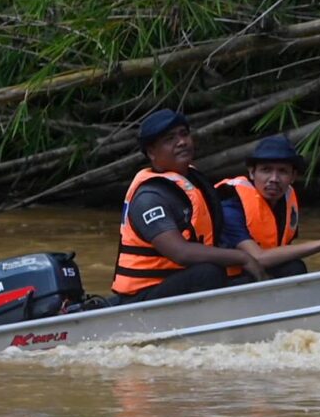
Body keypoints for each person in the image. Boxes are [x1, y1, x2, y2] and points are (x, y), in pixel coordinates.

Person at [113, 108, 267, 301]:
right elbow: (181, 253)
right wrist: (242, 257)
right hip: (145, 294)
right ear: (152, 152)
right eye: (170, 139)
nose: (182, 142)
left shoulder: (194, 180)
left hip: (184, 283)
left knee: (288, 267)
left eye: (184, 134)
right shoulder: (149, 197)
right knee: (208, 272)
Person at [216, 135, 320, 279]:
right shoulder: (230, 207)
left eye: (282, 171)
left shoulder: (286, 203)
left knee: (295, 266)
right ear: (252, 173)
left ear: (293, 176)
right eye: (266, 170)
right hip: (230, 281)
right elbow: (257, 257)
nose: (274, 179)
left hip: (263, 271)